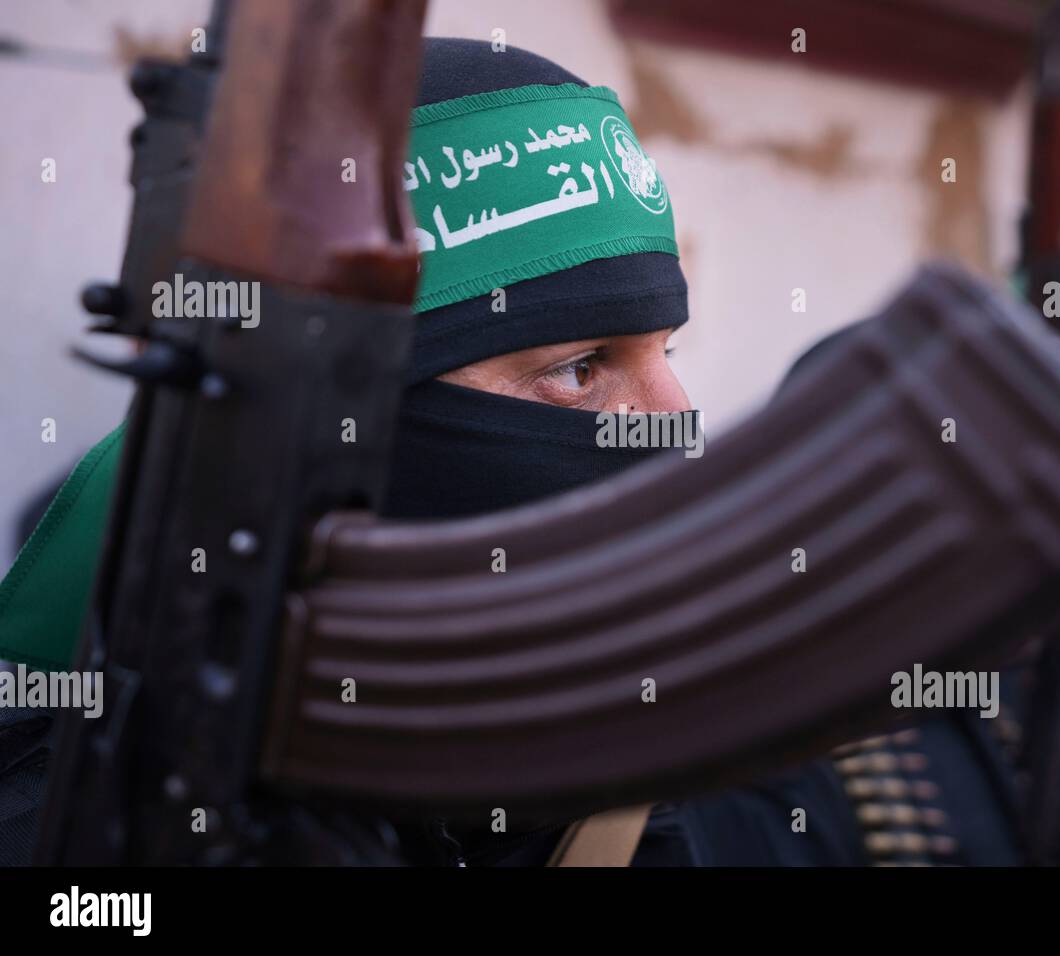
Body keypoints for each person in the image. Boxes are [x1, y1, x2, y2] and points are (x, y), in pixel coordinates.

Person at [0, 37, 870, 867]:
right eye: (576, 371)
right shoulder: (73, 812)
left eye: (665, 354)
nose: (678, 426)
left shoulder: (714, 782)